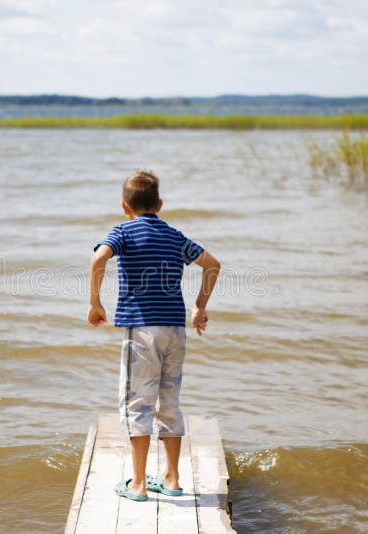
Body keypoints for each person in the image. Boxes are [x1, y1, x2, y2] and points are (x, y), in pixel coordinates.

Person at [87, 170, 220, 501]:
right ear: (159, 204)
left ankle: (139, 484)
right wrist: (199, 307)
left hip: (142, 330)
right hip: (175, 329)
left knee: (138, 405)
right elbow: (213, 265)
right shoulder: (175, 237)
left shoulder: (123, 231)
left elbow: (98, 259)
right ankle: (172, 479)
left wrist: (95, 302)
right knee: (169, 402)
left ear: (124, 206)